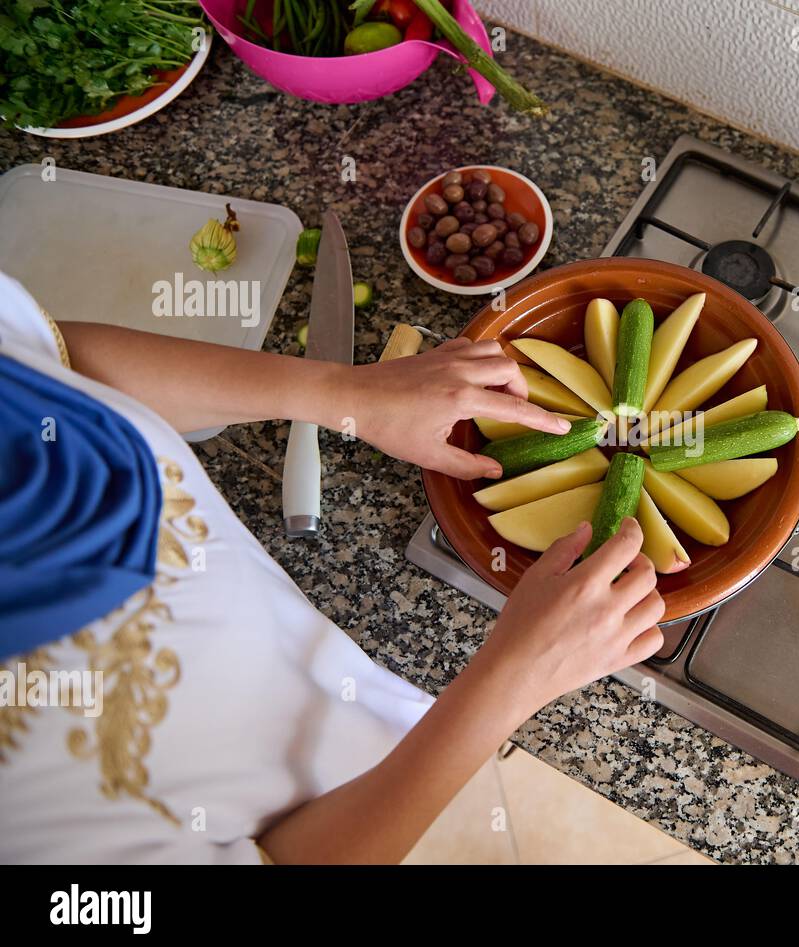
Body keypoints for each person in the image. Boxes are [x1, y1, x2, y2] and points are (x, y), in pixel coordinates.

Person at [0, 270, 664, 863]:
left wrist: (344, 393)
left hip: (355, 695)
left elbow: (55, 360)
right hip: (355, 812)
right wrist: (517, 677)